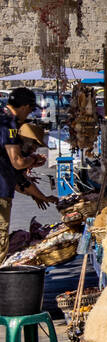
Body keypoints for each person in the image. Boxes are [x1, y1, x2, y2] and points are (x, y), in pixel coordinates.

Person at [1, 87, 52, 262]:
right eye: (30, 108)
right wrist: (32, 158)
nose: (30, 112)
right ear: (23, 107)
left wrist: (39, 196)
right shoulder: (10, 125)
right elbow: (17, 163)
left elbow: (17, 178)